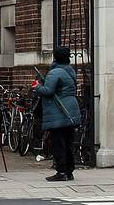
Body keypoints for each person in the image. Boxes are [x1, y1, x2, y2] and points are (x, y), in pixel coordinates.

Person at [33, 47, 81, 182]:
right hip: (71, 109)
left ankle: (61, 171)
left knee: (58, 143)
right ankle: (69, 171)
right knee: (68, 142)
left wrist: (37, 87)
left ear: (55, 57)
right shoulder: (69, 71)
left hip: (59, 112)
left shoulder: (55, 72)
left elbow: (48, 91)